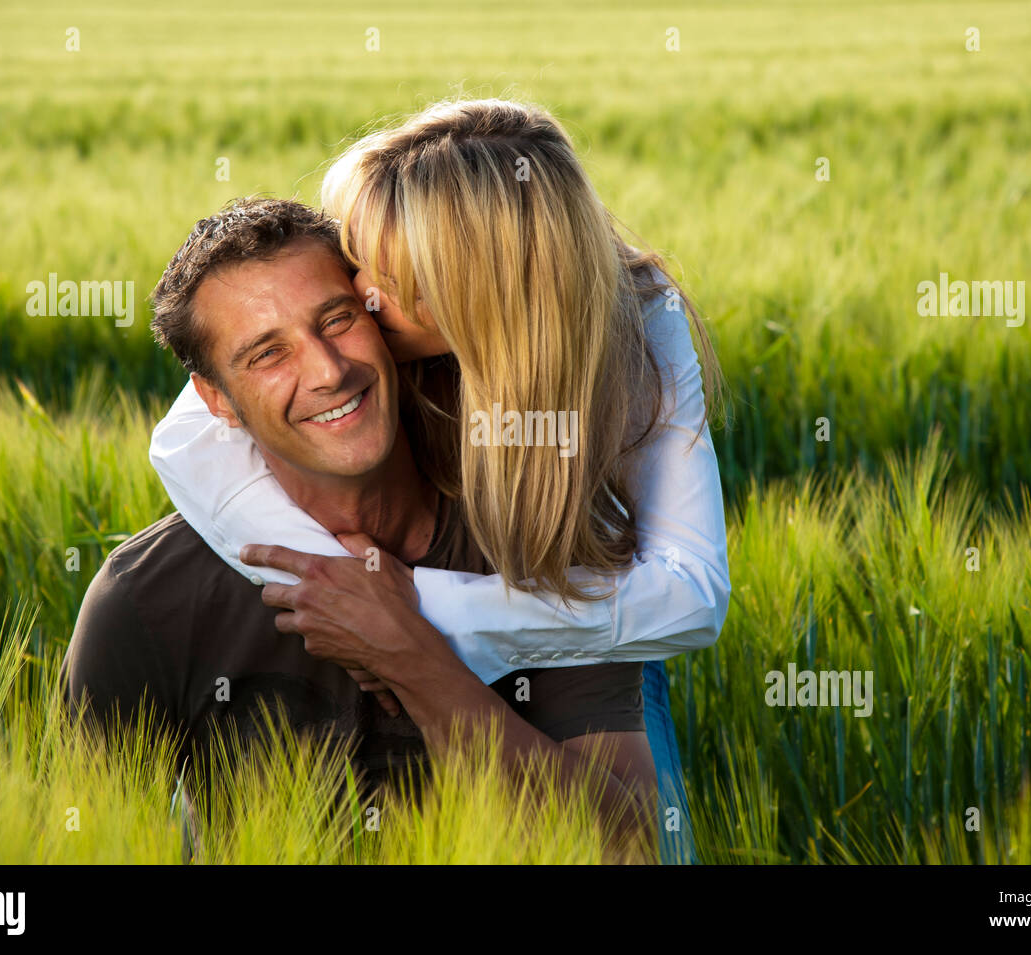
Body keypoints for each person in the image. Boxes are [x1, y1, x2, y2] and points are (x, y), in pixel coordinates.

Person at [149, 99, 730, 863]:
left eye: (394, 279)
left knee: (647, 842)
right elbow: (186, 444)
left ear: (489, 297)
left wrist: (418, 619)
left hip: (563, 571)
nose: (358, 294)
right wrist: (355, 595)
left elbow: (688, 594)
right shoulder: (347, 330)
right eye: (360, 252)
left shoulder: (638, 323)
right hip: (502, 573)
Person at [64, 200, 658, 857]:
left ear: (384, 320)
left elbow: (624, 844)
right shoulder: (146, 600)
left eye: (337, 320)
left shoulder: (541, 537)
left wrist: (413, 658)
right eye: (268, 354)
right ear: (217, 401)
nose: (327, 370)